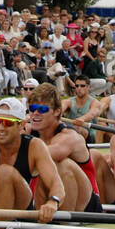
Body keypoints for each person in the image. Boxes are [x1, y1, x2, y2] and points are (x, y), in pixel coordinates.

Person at [26, 82, 102, 211]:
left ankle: (64, 221)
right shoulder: (28, 131)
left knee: (60, 163)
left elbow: (42, 154)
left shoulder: (69, 137)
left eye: (43, 109)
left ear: (57, 112)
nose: (36, 113)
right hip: (41, 199)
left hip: (85, 206)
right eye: (33, 108)